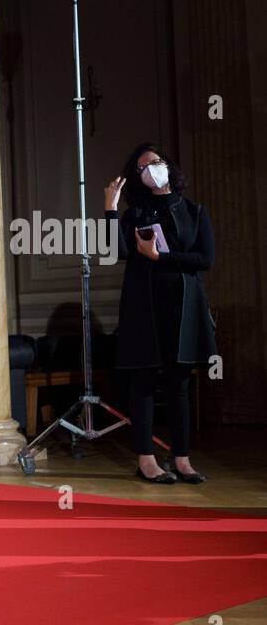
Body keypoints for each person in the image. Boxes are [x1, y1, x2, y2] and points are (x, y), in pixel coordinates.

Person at [104, 143, 216, 484]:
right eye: (142, 168)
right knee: (143, 382)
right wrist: (110, 207)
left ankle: (181, 459)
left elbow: (204, 260)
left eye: (154, 162)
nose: (150, 169)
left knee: (178, 384)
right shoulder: (135, 213)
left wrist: (160, 259)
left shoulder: (194, 211)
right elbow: (115, 252)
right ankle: (147, 460)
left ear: (167, 166)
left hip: (184, 305)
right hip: (145, 305)